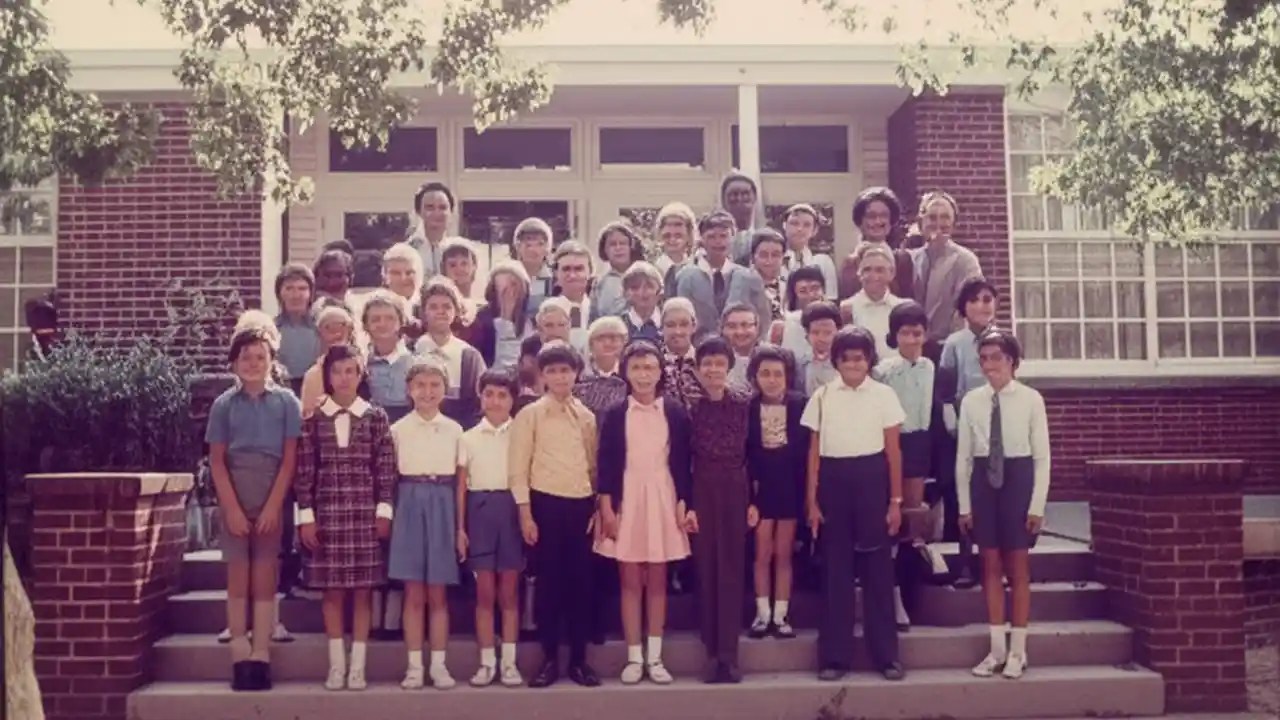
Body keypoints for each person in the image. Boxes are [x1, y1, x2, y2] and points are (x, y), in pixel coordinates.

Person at [803, 327, 906, 682]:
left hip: (872, 482)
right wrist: (811, 503)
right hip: (833, 484)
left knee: (878, 571)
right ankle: (835, 657)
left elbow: (893, 452)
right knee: (836, 573)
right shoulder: (822, 396)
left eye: (859, 357)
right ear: (836, 361)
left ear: (869, 360)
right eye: (845, 358)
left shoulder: (884, 395)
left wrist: (895, 501)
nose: (852, 364)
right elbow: (814, 454)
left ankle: (887, 656)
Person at [295, 344, 397, 691]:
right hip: (327, 512)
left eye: (350, 371)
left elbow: (385, 468)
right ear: (327, 376)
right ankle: (337, 665)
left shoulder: (376, 417)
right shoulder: (312, 420)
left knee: (363, 591)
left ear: (360, 375)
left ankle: (358, 666)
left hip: (364, 511)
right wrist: (306, 516)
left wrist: (384, 509)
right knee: (333, 591)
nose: (343, 378)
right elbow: (305, 470)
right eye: (336, 371)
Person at [206, 327, 303, 691]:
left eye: (260, 357)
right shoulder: (223, 406)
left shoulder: (286, 403)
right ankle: (239, 652)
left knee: (265, 573)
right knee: (239, 574)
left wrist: (274, 506)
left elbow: (290, 461)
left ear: (271, 361)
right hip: (235, 488)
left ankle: (261, 652)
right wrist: (230, 507)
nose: (252, 363)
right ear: (233, 362)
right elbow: (216, 461)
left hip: (271, 492)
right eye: (245, 357)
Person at [595, 341, 693, 684]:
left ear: (660, 372)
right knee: (631, 581)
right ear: (626, 372)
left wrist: (684, 502)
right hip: (628, 498)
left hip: (663, 497)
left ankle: (655, 657)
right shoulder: (616, 413)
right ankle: (634, 657)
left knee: (658, 581)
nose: (643, 374)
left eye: (650, 367)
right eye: (636, 368)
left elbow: (682, 462)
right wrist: (607, 508)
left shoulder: (676, 412)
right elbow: (606, 464)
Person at [957, 329, 1051, 680]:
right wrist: (965, 505)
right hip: (984, 482)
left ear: (1012, 360)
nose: (989, 364)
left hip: (1018, 478)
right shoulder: (971, 401)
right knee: (990, 564)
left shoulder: (1031, 399)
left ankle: (1018, 649)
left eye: (996, 357)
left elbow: (1042, 458)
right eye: (983, 358)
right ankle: (996, 648)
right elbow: (963, 459)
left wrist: (1037, 506)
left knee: (1017, 566)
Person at [509, 343, 601, 688]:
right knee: (549, 584)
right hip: (544, 504)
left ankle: (579, 659)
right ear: (542, 375)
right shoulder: (530, 414)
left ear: (576, 373)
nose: (560, 377)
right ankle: (549, 659)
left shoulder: (587, 416)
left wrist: (594, 507)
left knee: (581, 584)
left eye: (566, 370)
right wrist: (525, 514)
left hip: (580, 506)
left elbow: (592, 466)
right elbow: (518, 467)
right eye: (552, 371)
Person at [388, 359, 464, 690]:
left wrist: (460, 528)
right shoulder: (398, 430)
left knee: (438, 594)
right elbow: (389, 479)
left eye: (435, 385)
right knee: (413, 593)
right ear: (409, 389)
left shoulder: (455, 430)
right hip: (408, 501)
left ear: (445, 391)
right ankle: (414, 665)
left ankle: (439, 665)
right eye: (420, 385)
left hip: (443, 501)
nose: (427, 392)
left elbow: (461, 483)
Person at [687, 336, 752, 684]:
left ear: (729, 366)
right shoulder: (690, 407)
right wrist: (687, 503)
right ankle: (711, 653)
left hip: (735, 487)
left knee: (731, 566)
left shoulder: (744, 403)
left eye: (719, 363)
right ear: (698, 369)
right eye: (706, 363)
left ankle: (730, 654)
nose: (713, 369)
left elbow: (754, 452)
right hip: (701, 489)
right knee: (705, 567)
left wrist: (754, 500)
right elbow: (681, 459)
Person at [458, 370, 525, 687]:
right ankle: (487, 662)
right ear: (480, 397)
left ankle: (509, 663)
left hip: (512, 511)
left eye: (502, 395)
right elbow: (460, 488)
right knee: (484, 593)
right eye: (489, 395)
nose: (496, 401)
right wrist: (461, 528)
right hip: (479, 513)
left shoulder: (522, 434)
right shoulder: (467, 437)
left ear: (513, 399)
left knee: (509, 592)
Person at [875, 301, 937, 630]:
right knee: (892, 519)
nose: (912, 340)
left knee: (912, 522)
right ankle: (892, 597)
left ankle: (913, 595)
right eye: (905, 333)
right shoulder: (884, 371)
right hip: (892, 443)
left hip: (919, 443)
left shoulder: (929, 367)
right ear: (894, 335)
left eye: (917, 333)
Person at [937, 277, 1000, 586]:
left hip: (996, 425)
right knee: (965, 494)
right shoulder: (955, 343)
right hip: (963, 425)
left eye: (987, 299)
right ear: (964, 307)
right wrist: (951, 416)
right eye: (974, 300)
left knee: (994, 494)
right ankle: (964, 563)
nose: (981, 305)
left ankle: (994, 566)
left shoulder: (1004, 341)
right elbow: (946, 385)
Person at [745, 345, 808, 639]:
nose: (772, 380)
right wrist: (749, 498)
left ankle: (781, 615)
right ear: (755, 377)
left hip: (790, 488)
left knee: (784, 554)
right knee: (762, 554)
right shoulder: (748, 408)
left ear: (788, 376)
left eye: (778, 374)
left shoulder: (800, 405)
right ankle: (762, 613)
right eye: (765, 374)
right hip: (760, 490)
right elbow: (744, 457)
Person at [910, 191, 983, 355]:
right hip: (914, 347)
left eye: (945, 217)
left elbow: (971, 307)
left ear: (953, 223)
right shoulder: (911, 259)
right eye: (932, 217)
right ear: (921, 222)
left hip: (950, 346)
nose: (938, 223)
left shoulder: (965, 260)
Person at [673, 210, 764, 342]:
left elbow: (762, 321)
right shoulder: (683, 276)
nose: (718, 242)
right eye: (711, 237)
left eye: (723, 236)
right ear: (702, 239)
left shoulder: (749, 278)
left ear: (733, 237)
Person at [415, 279, 487, 428]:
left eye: (447, 306)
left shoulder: (469, 356)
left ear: (456, 311)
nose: (440, 311)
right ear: (423, 312)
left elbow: (478, 406)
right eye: (433, 307)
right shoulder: (412, 351)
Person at [839, 187, 915, 299]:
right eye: (871, 216)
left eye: (884, 216)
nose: (878, 221)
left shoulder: (902, 260)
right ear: (860, 221)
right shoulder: (850, 263)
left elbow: (908, 301)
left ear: (891, 221)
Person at [407, 182, 485, 287]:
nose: (437, 213)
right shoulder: (408, 251)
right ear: (418, 212)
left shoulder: (465, 249)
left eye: (442, 207)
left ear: (451, 212)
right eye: (430, 207)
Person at [843, 245, 906, 363]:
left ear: (891, 273)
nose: (873, 276)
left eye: (879, 270)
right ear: (859, 273)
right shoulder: (847, 308)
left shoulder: (903, 308)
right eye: (867, 269)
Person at [362, 290, 414, 425]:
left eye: (389, 318)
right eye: (375, 319)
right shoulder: (362, 364)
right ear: (365, 325)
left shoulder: (415, 361)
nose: (382, 324)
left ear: (401, 322)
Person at [299, 302, 358, 417]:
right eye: (328, 327)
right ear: (319, 333)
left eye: (341, 326)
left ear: (350, 330)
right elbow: (308, 415)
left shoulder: (362, 365)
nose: (336, 333)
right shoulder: (313, 375)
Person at [273, 263, 322, 396]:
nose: (296, 295)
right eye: (289, 288)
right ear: (279, 293)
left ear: (311, 293)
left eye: (302, 289)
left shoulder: (321, 327)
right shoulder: (272, 330)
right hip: (281, 391)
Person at [474, 261, 532, 370]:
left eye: (514, 285)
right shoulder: (482, 320)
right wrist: (505, 317)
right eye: (503, 287)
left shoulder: (529, 321)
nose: (509, 292)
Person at [573, 316, 629, 417]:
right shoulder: (578, 375)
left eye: (613, 338)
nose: (607, 343)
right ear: (590, 344)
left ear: (623, 343)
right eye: (600, 338)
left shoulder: (629, 375)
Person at [771, 266, 827, 363]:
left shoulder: (834, 323)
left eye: (815, 288)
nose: (811, 295)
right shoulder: (781, 327)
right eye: (803, 291)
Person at [781, 204, 838, 299]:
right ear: (784, 225)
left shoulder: (823, 262)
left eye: (806, 225)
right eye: (794, 223)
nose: (800, 229)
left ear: (814, 230)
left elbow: (830, 298)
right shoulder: (776, 260)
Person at [659, 297, 703, 413]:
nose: (677, 331)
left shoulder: (704, 362)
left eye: (684, 325)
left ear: (694, 326)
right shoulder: (654, 363)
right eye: (670, 325)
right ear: (662, 328)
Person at [592, 221, 643, 320]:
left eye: (623, 243)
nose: (618, 248)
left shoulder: (643, 275)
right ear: (605, 250)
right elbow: (593, 316)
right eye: (612, 244)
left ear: (630, 247)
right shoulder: (600, 282)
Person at [551, 240, 594, 355]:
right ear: (556, 274)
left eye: (579, 269)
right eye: (566, 269)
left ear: (590, 272)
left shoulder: (599, 310)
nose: (572, 275)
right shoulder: (548, 312)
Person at [796, 301, 842, 396]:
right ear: (807, 335)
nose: (821, 339)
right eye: (815, 332)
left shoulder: (846, 364)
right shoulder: (799, 367)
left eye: (828, 333)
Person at [512, 217, 556, 315]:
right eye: (528, 245)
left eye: (540, 244)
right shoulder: (509, 276)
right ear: (518, 247)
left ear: (547, 248)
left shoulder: (556, 280)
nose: (534, 250)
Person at [653, 202, 698, 290]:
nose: (672, 240)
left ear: (689, 235)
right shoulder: (651, 272)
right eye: (667, 236)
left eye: (678, 236)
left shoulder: (697, 272)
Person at [619, 261, 665, 344]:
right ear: (625, 293)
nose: (642, 292)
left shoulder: (669, 323)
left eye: (649, 286)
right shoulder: (619, 327)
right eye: (635, 287)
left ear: (660, 291)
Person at [721, 171, 761, 265]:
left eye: (745, 194)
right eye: (734, 194)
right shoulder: (715, 242)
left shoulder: (765, 239)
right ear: (723, 200)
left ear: (754, 198)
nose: (739, 199)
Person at [749, 227, 788, 323]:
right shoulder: (743, 285)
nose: (769, 261)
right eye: (763, 255)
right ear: (753, 257)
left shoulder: (789, 286)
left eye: (775, 255)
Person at [721, 303, 761, 393]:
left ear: (757, 328)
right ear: (723, 329)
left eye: (745, 325)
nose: (739, 332)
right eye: (732, 326)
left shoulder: (770, 358)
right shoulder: (715, 361)